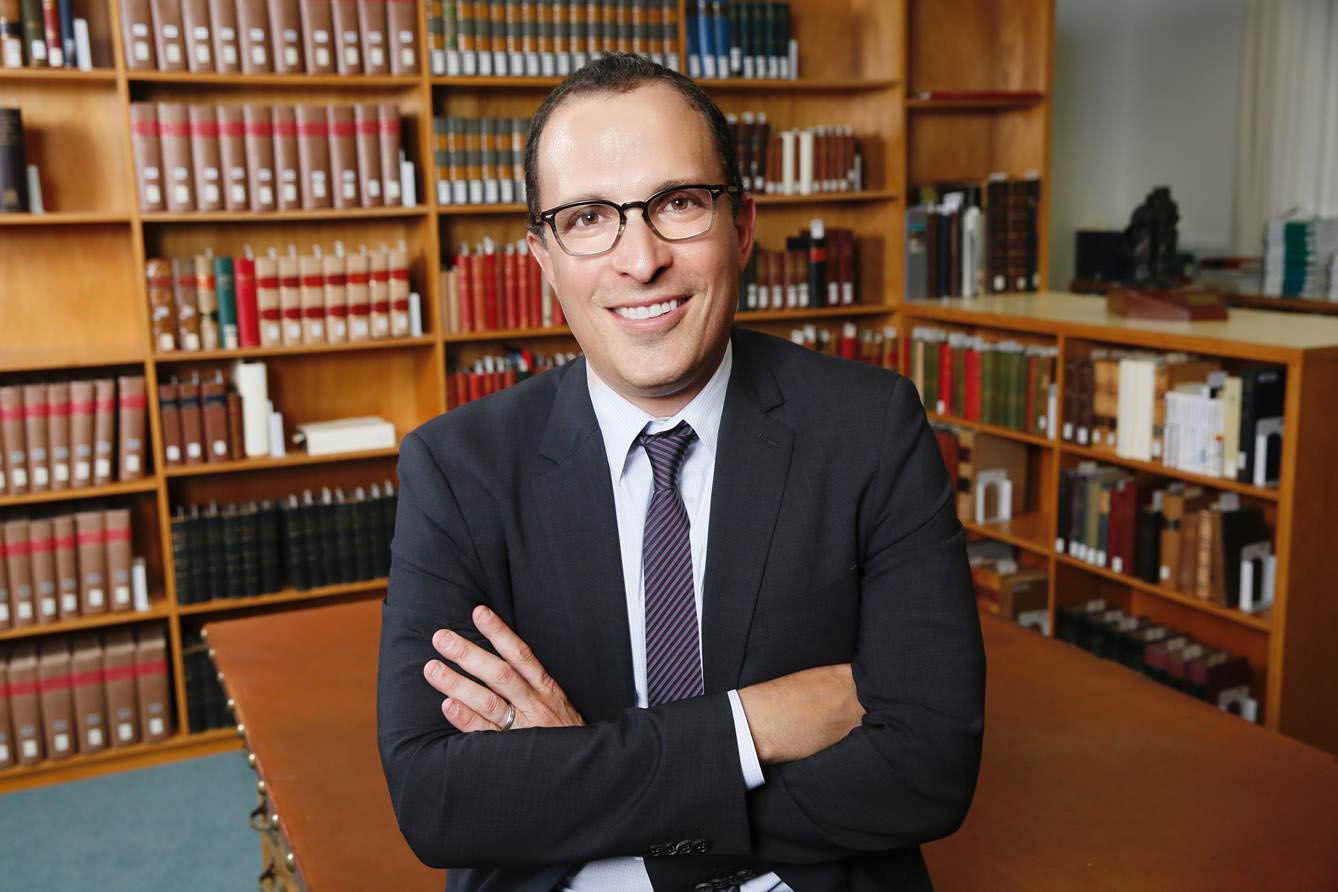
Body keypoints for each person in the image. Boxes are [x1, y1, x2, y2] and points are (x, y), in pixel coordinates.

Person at [378, 53, 985, 892]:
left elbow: (930, 767)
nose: (640, 260)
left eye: (679, 204)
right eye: (589, 217)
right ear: (544, 259)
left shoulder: (872, 429)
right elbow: (438, 798)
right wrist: (747, 728)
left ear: (742, 225)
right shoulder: (456, 469)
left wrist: (576, 776)